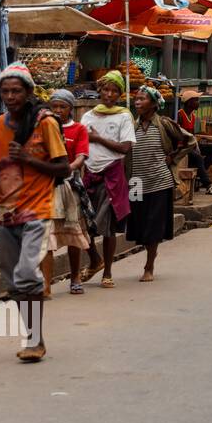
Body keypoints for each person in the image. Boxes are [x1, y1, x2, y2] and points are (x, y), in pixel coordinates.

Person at [0, 63, 69, 362]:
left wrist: (29, 158)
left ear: (28, 92)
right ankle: (33, 335)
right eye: (5, 91)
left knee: (27, 273)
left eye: (16, 90)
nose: (10, 96)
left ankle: (35, 340)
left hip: (37, 210)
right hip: (5, 212)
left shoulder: (46, 123)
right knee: (12, 280)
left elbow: (63, 168)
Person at [127, 86, 192, 282]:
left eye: (143, 99)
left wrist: (172, 157)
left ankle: (149, 266)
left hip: (159, 181)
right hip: (136, 182)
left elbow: (190, 141)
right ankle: (151, 252)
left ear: (154, 104)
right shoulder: (131, 126)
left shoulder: (163, 124)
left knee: (154, 224)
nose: (138, 102)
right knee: (139, 224)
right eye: (136, 99)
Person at [80, 71, 136, 288]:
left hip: (112, 175)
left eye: (114, 91)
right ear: (100, 91)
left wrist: (97, 138)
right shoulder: (88, 116)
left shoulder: (123, 116)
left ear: (120, 94)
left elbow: (125, 148)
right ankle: (95, 260)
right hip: (89, 175)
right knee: (84, 225)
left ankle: (108, 272)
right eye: (106, 90)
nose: (109, 94)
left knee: (109, 227)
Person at [42, 90, 93, 298]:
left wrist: (68, 169)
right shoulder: (44, 126)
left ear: (70, 109)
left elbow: (81, 156)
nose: (58, 111)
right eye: (54, 106)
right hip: (47, 186)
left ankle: (75, 278)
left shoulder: (79, 129)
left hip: (70, 186)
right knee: (48, 237)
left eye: (62, 107)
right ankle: (46, 284)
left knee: (73, 235)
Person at [176, 90, 212, 196]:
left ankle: (200, 175)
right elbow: (178, 135)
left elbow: (192, 134)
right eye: (196, 100)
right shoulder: (179, 115)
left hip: (191, 145)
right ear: (189, 102)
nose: (198, 103)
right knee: (198, 157)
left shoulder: (192, 116)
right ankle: (208, 185)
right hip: (182, 147)